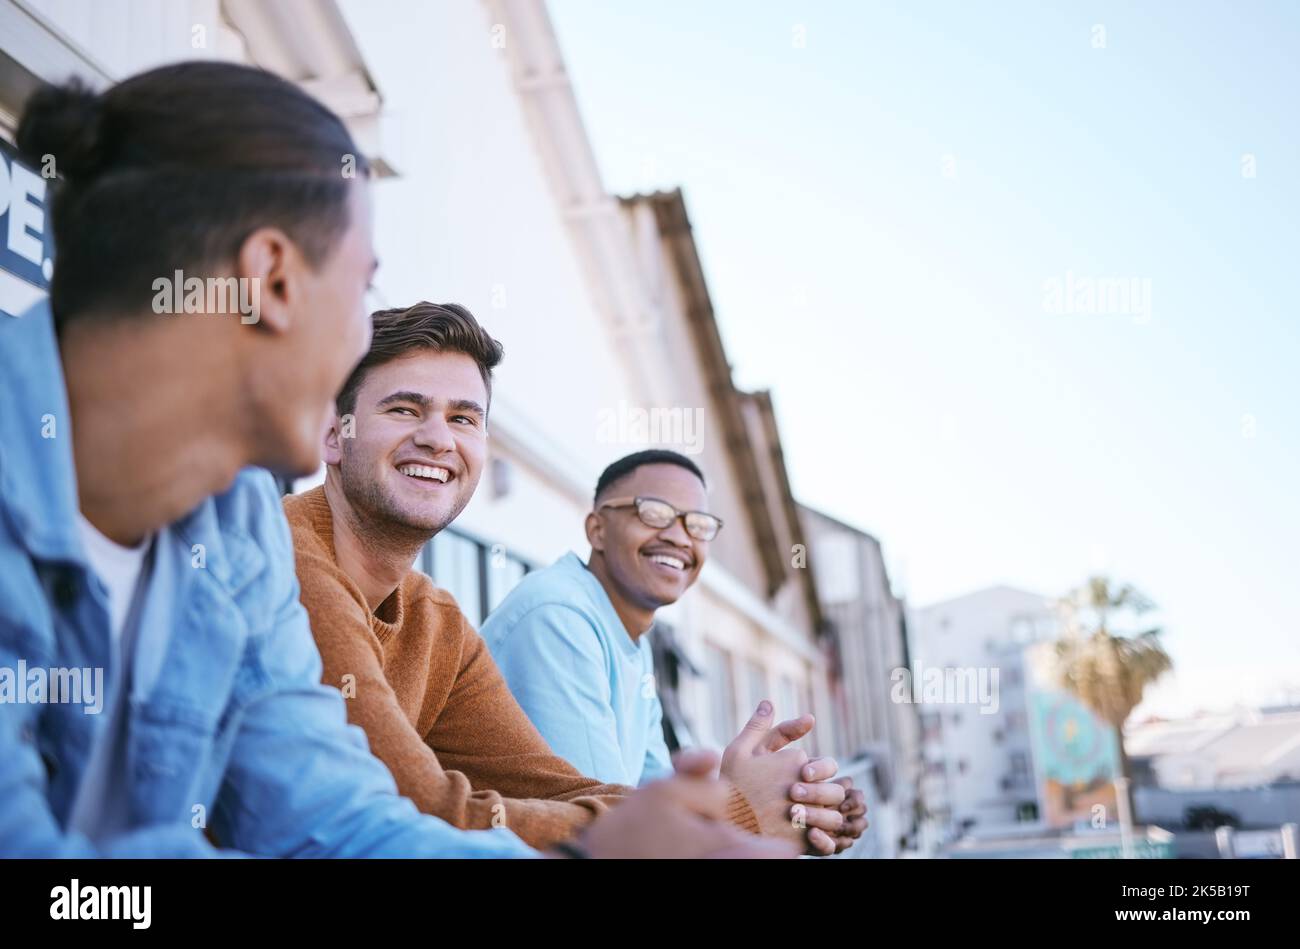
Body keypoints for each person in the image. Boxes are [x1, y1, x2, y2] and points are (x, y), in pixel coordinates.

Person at [0, 61, 787, 860]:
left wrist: (626, 847)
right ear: (271, 281)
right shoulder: (277, 546)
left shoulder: (234, 534)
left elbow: (338, 819)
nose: (356, 345)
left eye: (462, 417)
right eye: (360, 286)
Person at [287, 301, 845, 852]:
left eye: (464, 418)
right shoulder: (291, 560)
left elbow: (559, 787)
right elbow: (424, 809)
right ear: (334, 436)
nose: (439, 438)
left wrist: (768, 804)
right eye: (405, 410)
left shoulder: (437, 621)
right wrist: (734, 814)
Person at [482, 449, 870, 854]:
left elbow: (655, 806)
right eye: (654, 513)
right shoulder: (559, 616)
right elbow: (614, 829)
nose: (680, 537)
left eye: (697, 524)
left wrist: (798, 803)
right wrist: (746, 800)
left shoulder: (632, 642)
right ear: (597, 529)